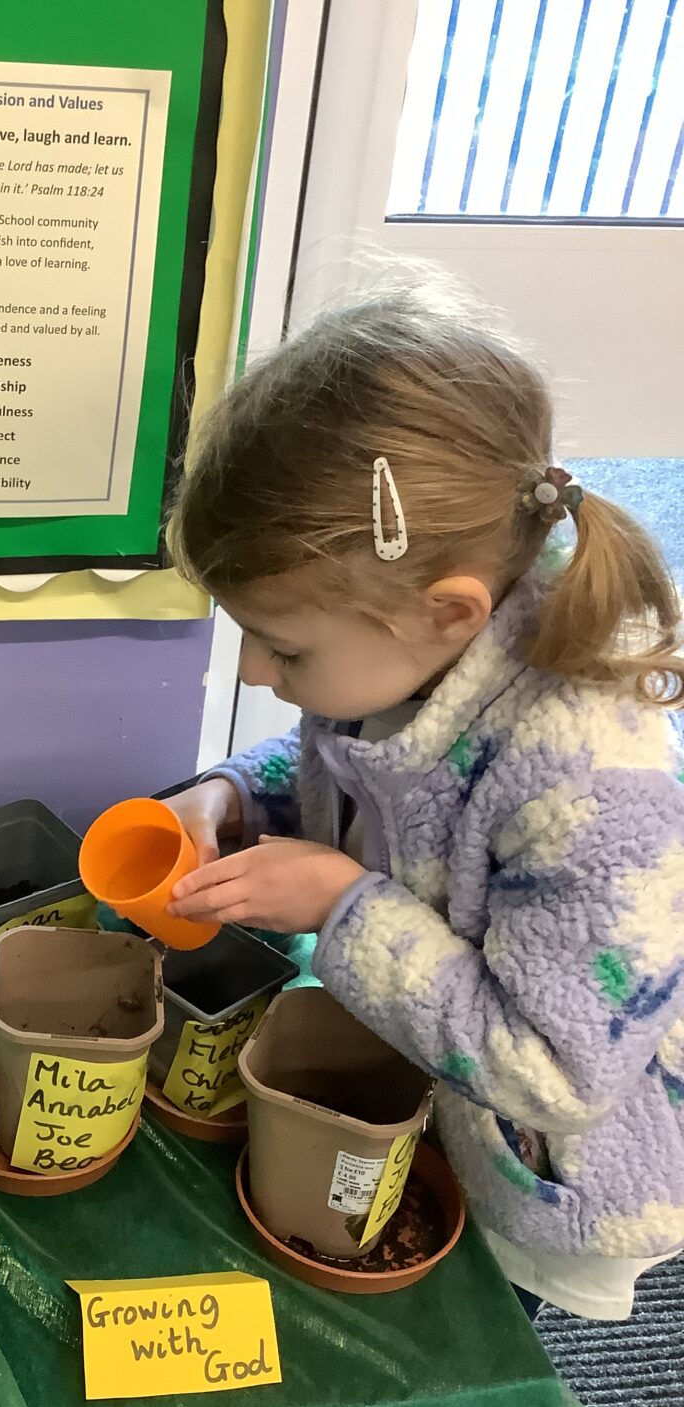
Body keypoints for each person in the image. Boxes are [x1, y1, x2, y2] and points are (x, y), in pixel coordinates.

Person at [163, 285, 684, 1320]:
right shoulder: (404, 652)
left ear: (447, 613)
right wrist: (237, 793)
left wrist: (340, 909)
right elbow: (358, 769)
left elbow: (553, 1075)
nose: (257, 670)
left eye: (286, 647)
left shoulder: (593, 785)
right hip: (413, 1075)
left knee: (476, 1339)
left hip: (532, 1169)